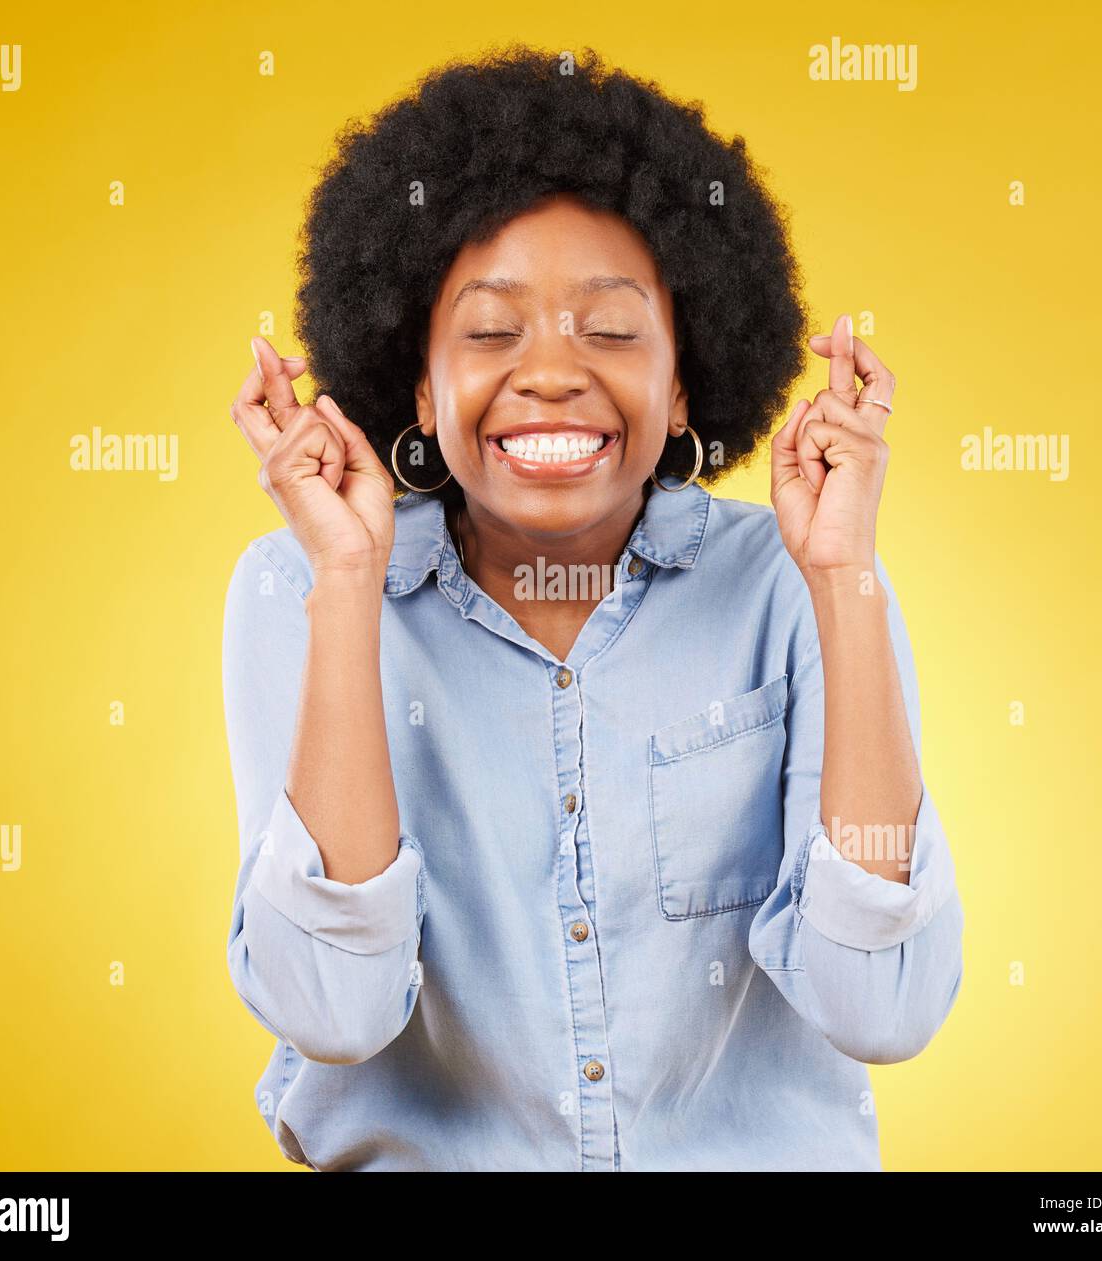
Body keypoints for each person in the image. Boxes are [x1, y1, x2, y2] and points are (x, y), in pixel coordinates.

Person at [222, 45, 963, 1172]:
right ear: (419, 385)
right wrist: (345, 587)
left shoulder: (794, 582)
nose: (551, 374)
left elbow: (883, 1007)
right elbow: (334, 1009)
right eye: (489, 330)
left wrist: (845, 577)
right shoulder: (296, 588)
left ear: (681, 389)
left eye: (611, 331)